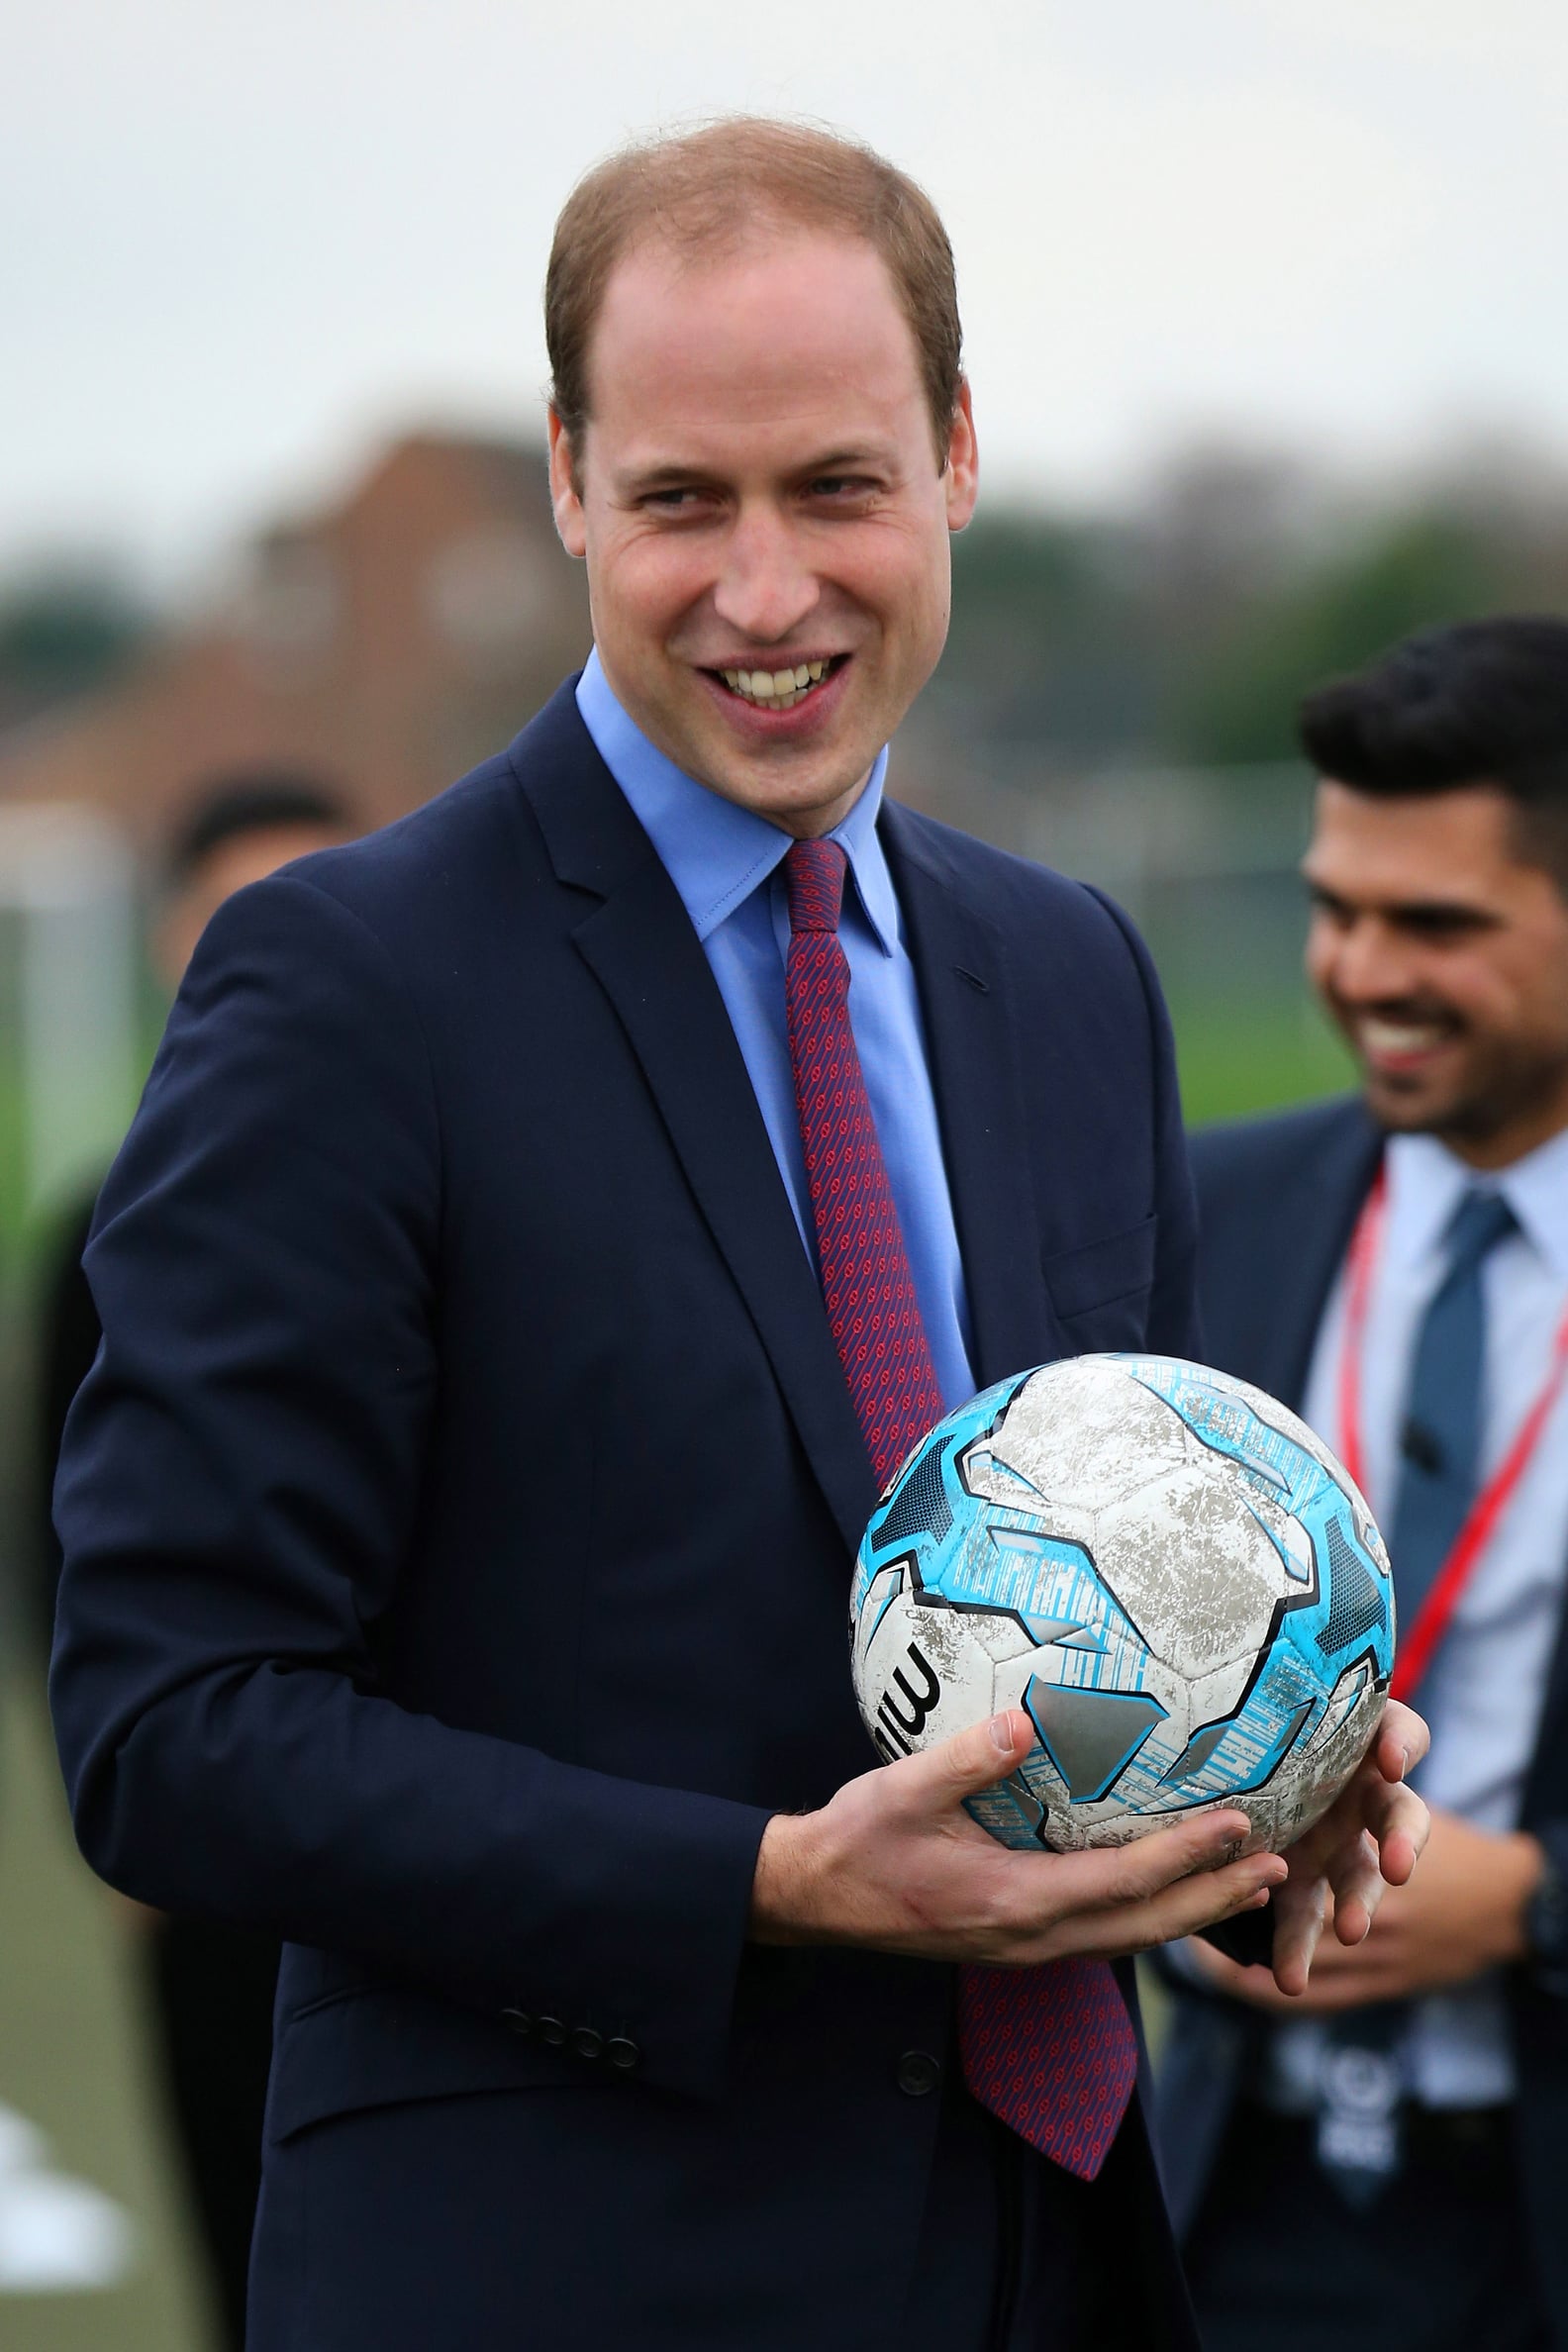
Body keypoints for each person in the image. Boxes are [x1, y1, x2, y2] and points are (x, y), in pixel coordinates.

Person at [49, 122, 1426, 2352]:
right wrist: (766, 1892)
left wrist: (1245, 1812)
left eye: (839, 487)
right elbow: (172, 1720)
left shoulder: (1076, 973)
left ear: (959, 456)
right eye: (686, 498)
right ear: (574, 483)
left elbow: (1078, 1635)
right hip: (566, 2276)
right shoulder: (346, 987)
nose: (766, 591)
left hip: (1055, 2258)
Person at [1155, 616, 1568, 2352]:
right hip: (1227, 2198)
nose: (1364, 969)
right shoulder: (1203, 1209)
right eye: (1337, 909)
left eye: (1440, 923)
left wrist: (1536, 1905)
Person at [33, 773, 352, 2352]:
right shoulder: (105, 1226)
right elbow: (62, 1547)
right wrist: (113, 1818)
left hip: (434, 1825)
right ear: (172, 936)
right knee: (250, 2254)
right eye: (238, 909)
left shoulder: (460, 1188)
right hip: (223, 1828)